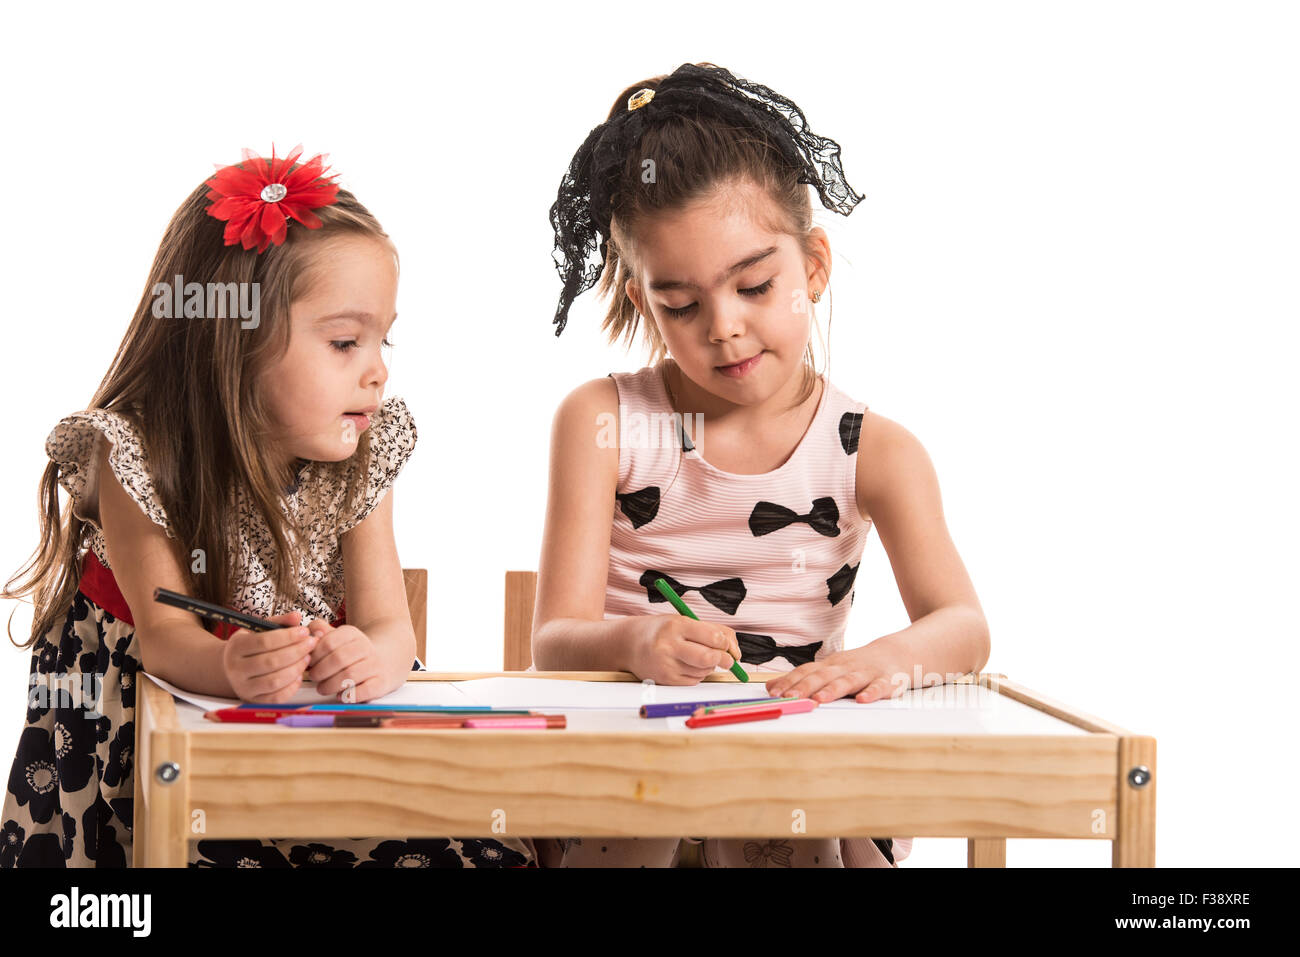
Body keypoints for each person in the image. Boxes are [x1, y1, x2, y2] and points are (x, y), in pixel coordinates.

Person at [0, 145, 535, 868]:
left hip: (300, 748)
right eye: (346, 341)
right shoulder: (134, 454)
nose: (378, 370)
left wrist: (368, 658)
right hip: (145, 749)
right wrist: (234, 666)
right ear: (233, 341)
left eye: (384, 337)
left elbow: (388, 626)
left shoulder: (360, 455)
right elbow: (164, 636)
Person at [532, 63, 990, 867]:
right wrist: (637, 643)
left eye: (753, 285)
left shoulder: (876, 450)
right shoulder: (601, 420)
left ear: (812, 265)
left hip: (791, 770)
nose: (724, 328)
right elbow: (555, 641)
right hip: (632, 772)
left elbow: (964, 627)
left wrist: (874, 663)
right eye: (681, 304)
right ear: (642, 301)